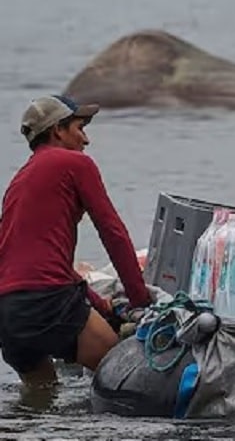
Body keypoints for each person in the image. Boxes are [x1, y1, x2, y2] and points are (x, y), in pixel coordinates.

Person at [0, 95, 152, 386]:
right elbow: (113, 232)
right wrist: (140, 300)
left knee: (40, 401)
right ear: (58, 130)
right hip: (47, 298)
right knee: (124, 375)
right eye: (80, 128)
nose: (86, 140)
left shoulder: (19, 181)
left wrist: (100, 304)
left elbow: (28, 261)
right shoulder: (75, 163)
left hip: (8, 311)